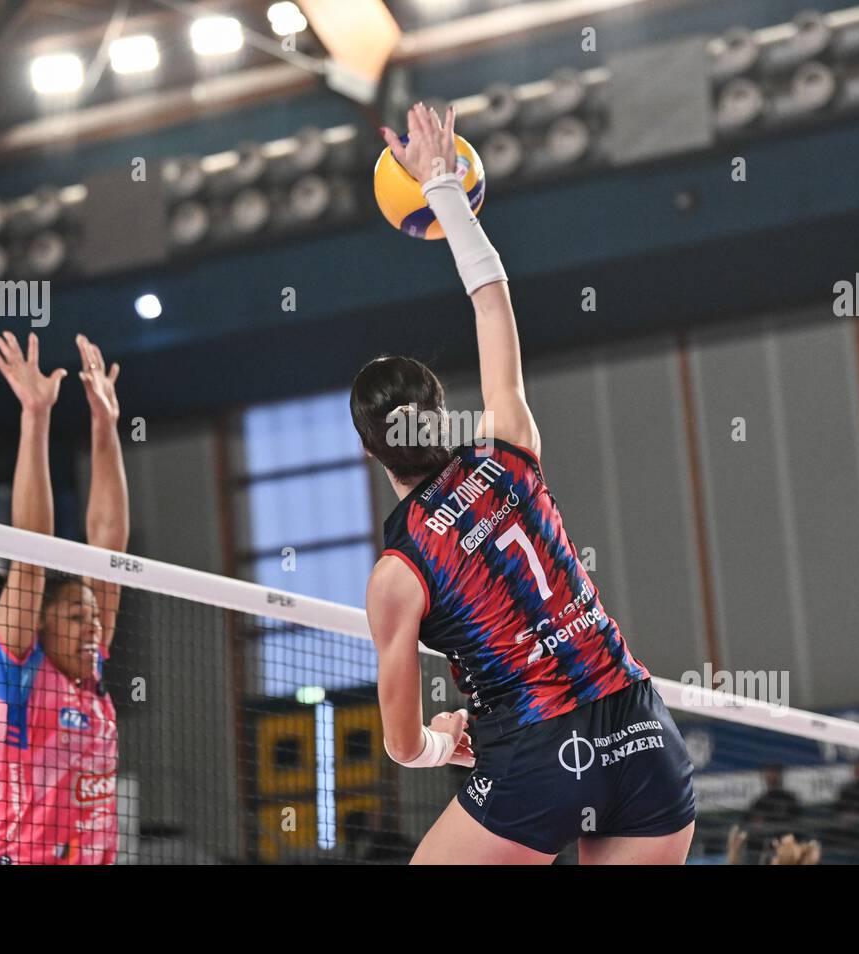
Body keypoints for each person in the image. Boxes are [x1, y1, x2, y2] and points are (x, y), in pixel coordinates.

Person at [354, 104, 696, 864]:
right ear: (443, 413)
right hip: (642, 733)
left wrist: (442, 745)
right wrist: (443, 185)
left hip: (539, 760)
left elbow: (402, 743)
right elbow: (492, 296)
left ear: (369, 450)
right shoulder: (511, 447)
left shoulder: (397, 574)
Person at [0, 332, 129, 864]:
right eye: (78, 615)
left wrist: (106, 427)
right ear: (38, 621)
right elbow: (29, 556)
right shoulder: (15, 669)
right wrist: (36, 416)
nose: (94, 625)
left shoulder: (91, 673)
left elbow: (110, 545)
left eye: (94, 615)